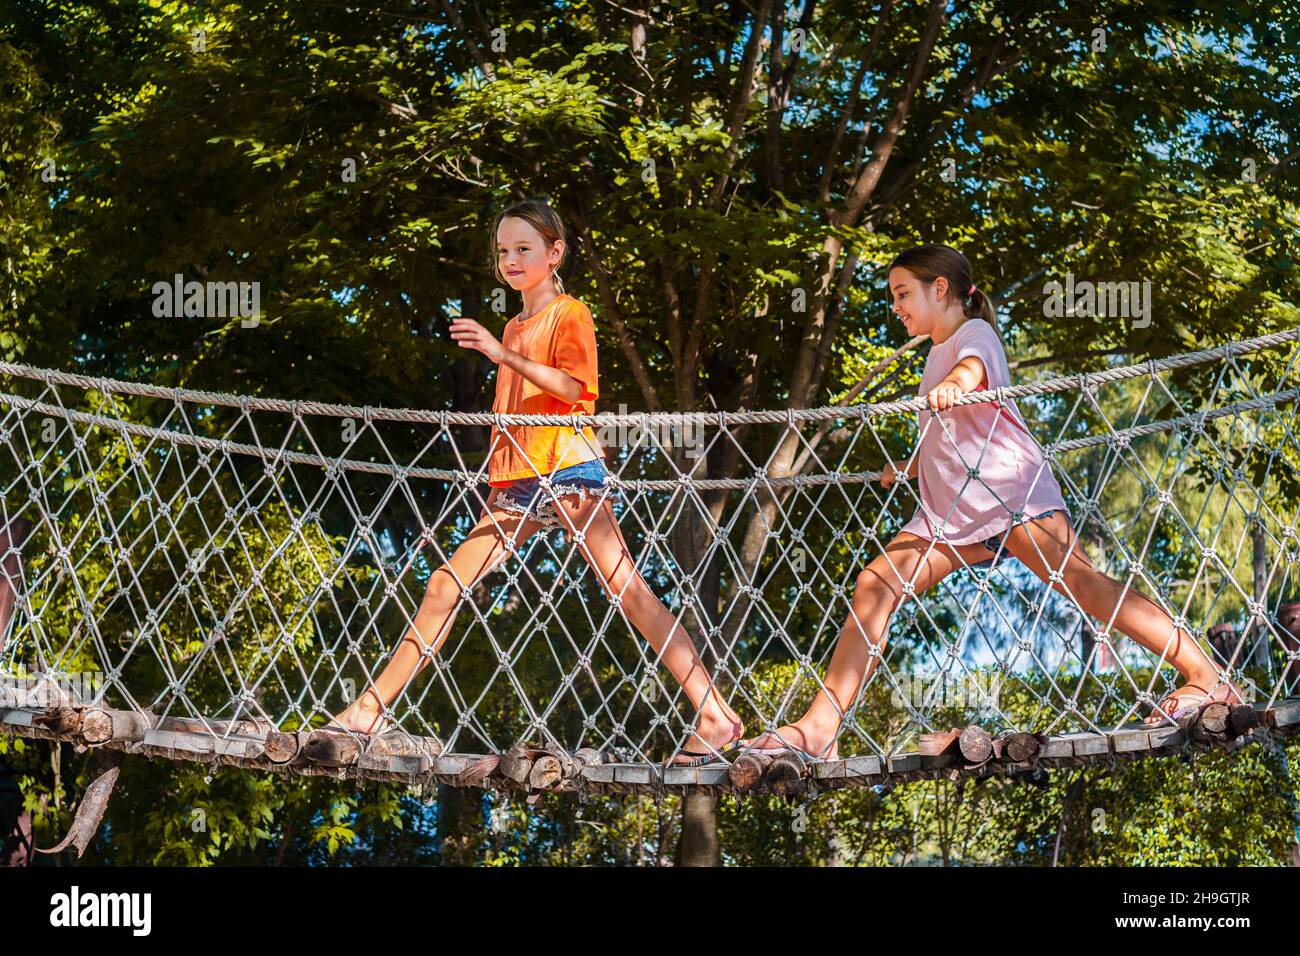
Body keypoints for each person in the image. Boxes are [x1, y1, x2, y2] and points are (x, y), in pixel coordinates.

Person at [741, 243, 1244, 760]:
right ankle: (821, 726)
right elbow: (955, 433)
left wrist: (956, 384)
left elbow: (974, 371)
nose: (896, 306)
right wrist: (914, 464)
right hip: (950, 511)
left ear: (941, 290)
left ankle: (1207, 675)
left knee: (1082, 585)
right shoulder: (935, 352)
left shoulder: (972, 335)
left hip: (1010, 493)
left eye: (902, 293)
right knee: (875, 584)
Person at [322, 199, 743, 766]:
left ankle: (713, 712)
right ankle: (368, 710)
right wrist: (497, 474)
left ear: (555, 252)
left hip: (569, 472)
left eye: (524, 248)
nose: (512, 260)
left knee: (628, 591)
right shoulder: (514, 324)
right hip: (517, 483)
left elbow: (573, 389)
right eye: (503, 251)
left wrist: (500, 354)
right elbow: (512, 411)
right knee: (445, 584)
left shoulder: (570, 314)